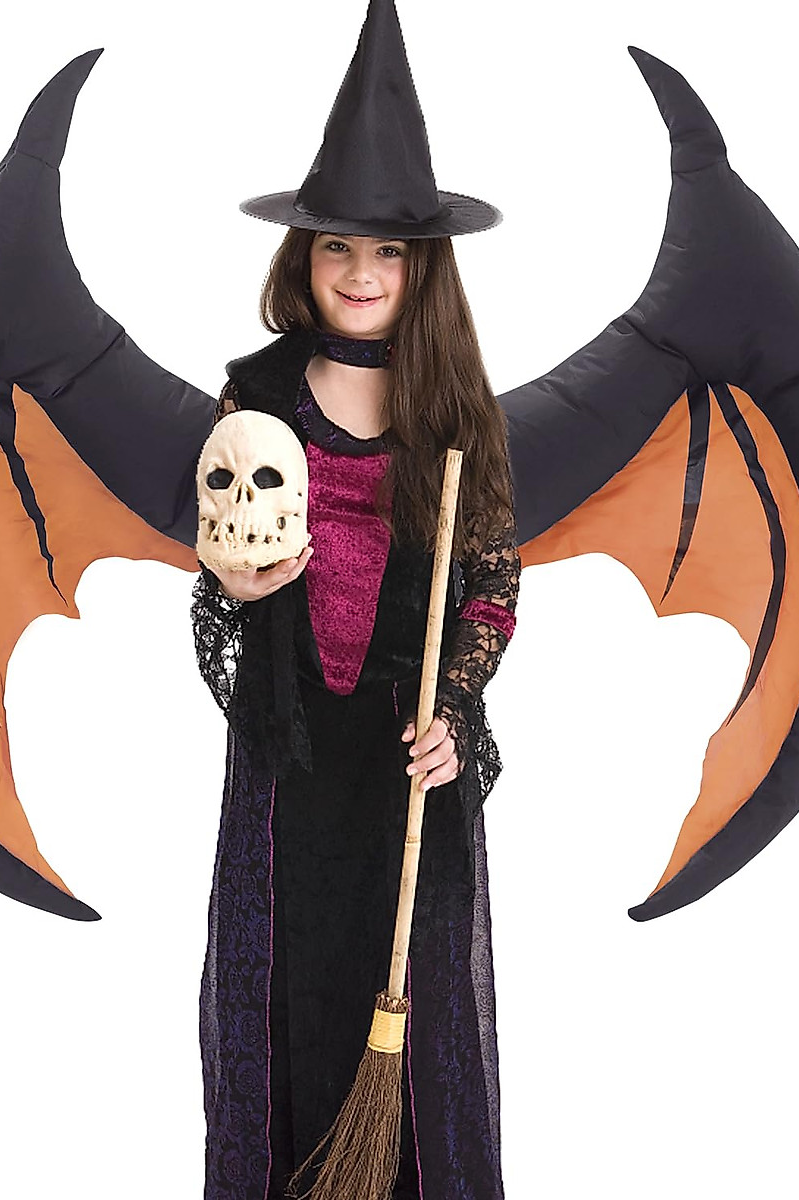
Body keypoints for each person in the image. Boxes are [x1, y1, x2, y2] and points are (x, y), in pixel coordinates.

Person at [193, 219, 519, 1200]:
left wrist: (453, 711)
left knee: (418, 1030)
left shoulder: (454, 409)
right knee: (283, 1007)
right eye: (337, 246)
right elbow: (222, 554)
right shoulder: (257, 397)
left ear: (424, 265)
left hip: (408, 774)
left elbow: (492, 589)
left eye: (389, 251)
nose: (362, 272)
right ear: (303, 256)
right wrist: (235, 586)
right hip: (287, 772)